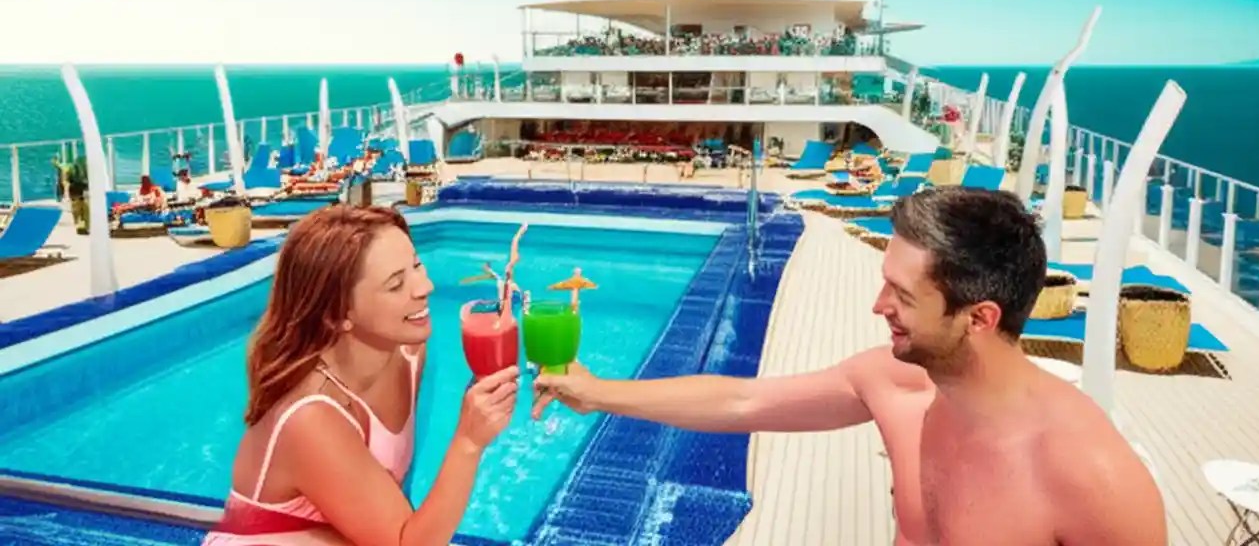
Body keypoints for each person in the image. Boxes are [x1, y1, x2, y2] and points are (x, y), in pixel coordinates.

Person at [533, 187, 1167, 545]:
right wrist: (598, 394)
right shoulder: (902, 387)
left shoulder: (1088, 474)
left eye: (904, 296)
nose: (877, 305)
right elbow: (743, 402)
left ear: (979, 319)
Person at [204, 205, 519, 546]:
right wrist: (469, 442)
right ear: (338, 315)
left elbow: (397, 503)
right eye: (396, 284)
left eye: (416, 265)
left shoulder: (410, 352)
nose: (425, 286)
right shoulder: (311, 418)